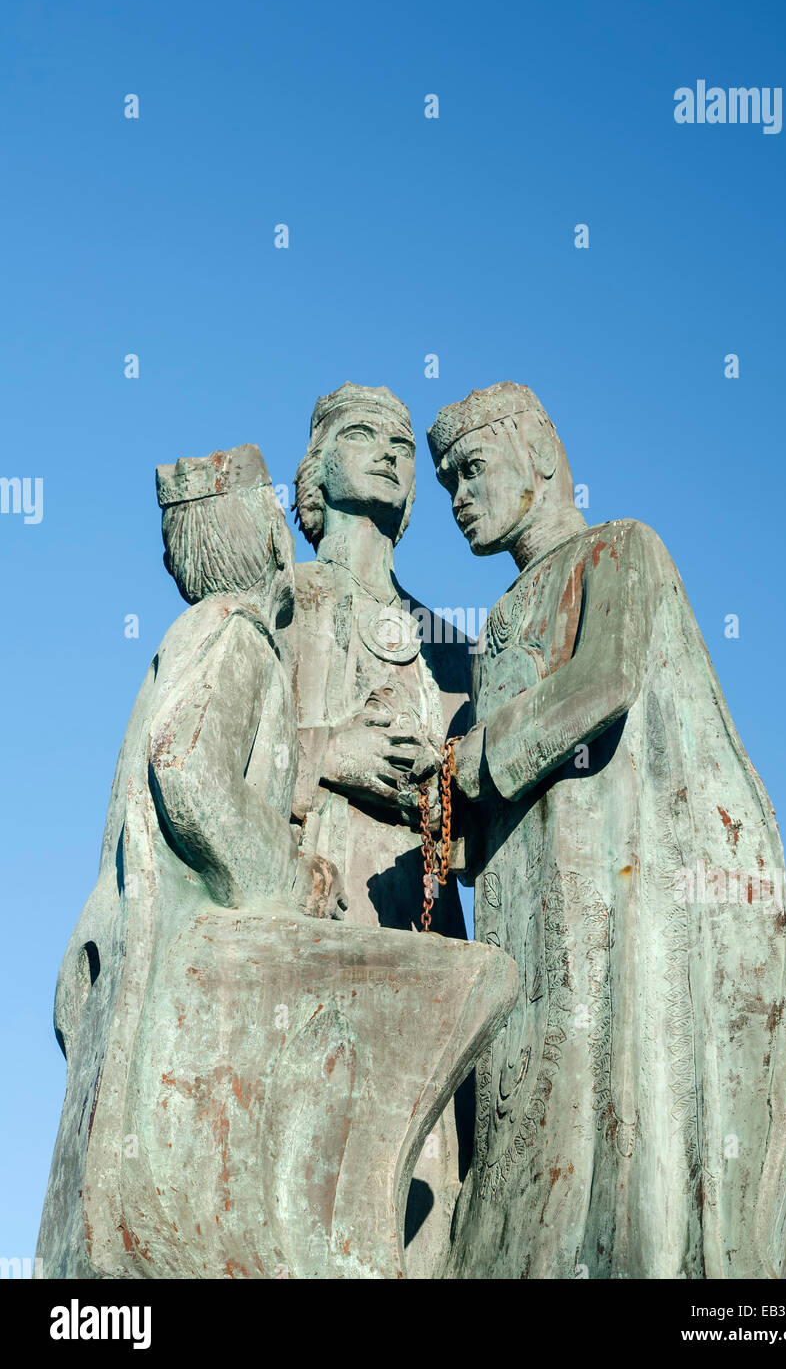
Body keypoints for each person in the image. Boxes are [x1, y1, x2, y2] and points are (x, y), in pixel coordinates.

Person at [428, 382, 786, 1279]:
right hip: (530, 922)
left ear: (540, 452)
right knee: (523, 1145)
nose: (459, 501)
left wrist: (474, 761)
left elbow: (603, 682)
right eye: (446, 488)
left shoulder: (620, 549)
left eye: (473, 471)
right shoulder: (503, 620)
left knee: (610, 1139)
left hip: (610, 916)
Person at [39, 444, 343, 1278]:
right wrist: (287, 876)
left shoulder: (181, 637)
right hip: (188, 974)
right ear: (266, 531)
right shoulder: (237, 634)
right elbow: (187, 769)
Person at [285, 383, 472, 1274]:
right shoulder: (280, 601)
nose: (392, 453)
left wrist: (440, 795)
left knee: (429, 1160)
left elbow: (479, 807)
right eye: (362, 435)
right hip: (313, 895)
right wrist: (330, 749)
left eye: (402, 442)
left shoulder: (448, 640)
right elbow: (213, 757)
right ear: (313, 471)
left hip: (421, 905)